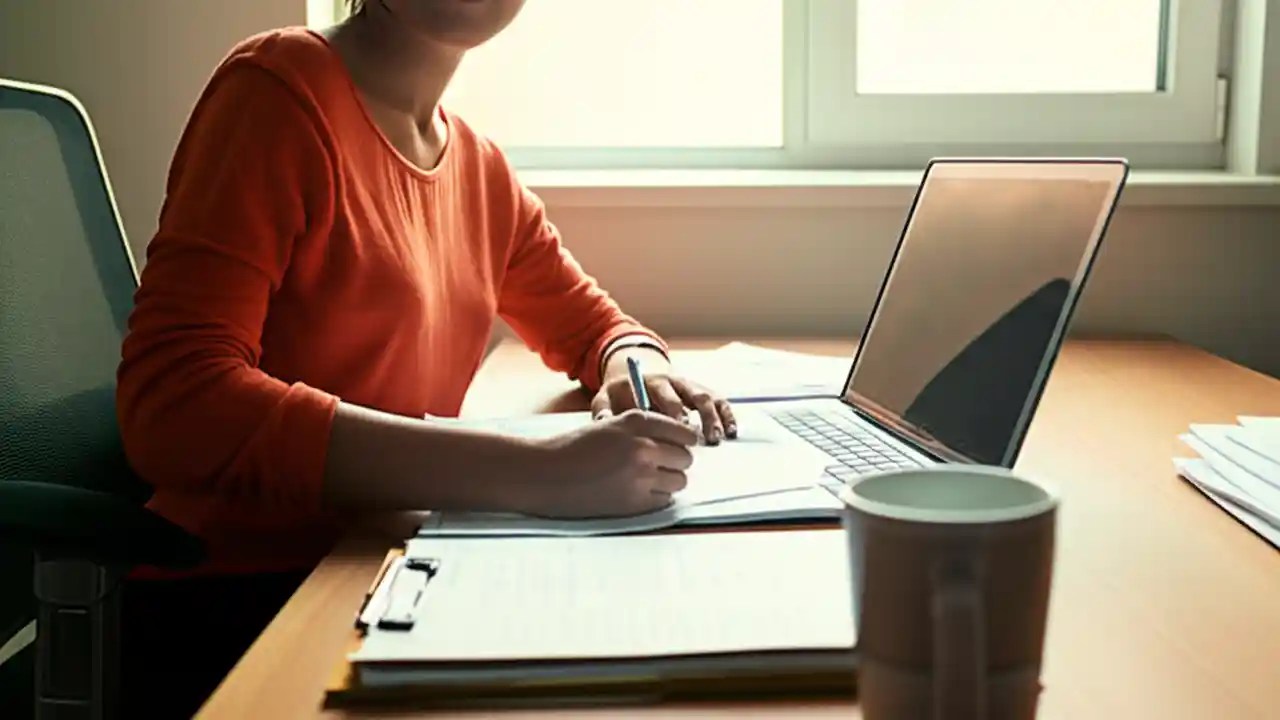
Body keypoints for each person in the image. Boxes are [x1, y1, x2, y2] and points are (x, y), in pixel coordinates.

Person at [114, 0, 736, 715]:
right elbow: (175, 406)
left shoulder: (475, 165)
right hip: (240, 600)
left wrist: (636, 366)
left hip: (384, 563)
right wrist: (539, 471)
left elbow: (595, 325)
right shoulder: (277, 90)